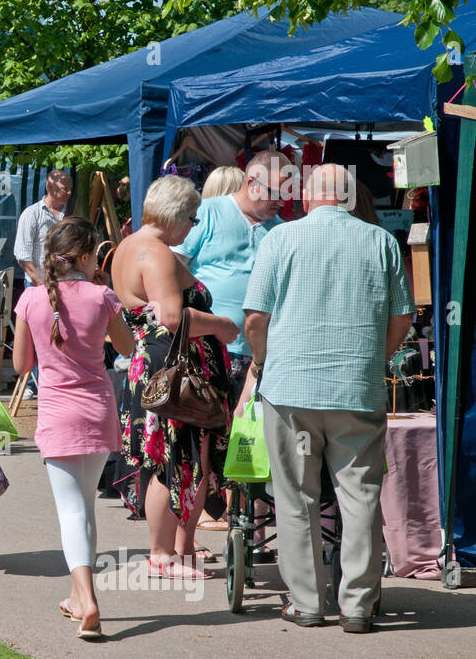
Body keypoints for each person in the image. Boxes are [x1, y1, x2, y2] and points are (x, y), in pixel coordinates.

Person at [244, 164, 415, 632]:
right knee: (360, 495)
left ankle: (306, 602)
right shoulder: (380, 241)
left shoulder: (280, 240)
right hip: (355, 390)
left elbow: (255, 317)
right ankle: (358, 604)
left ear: (306, 196)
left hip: (290, 389)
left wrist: (262, 361)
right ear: (349, 196)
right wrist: (373, 357)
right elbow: (404, 316)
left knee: (296, 496)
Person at [112, 175, 239, 580]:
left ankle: (179, 548)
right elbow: (169, 317)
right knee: (173, 457)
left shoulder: (128, 246)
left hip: (156, 362)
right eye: (192, 218)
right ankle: (163, 554)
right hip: (174, 366)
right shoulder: (156, 252)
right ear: (174, 214)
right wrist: (223, 325)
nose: (194, 226)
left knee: (183, 457)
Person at [14, 218, 135, 639]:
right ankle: (77, 595)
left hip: (57, 413)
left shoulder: (31, 300)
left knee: (71, 510)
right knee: (84, 508)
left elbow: (20, 365)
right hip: (97, 409)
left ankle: (87, 599)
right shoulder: (102, 295)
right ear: (85, 257)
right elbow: (127, 347)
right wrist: (103, 292)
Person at [174, 151, 288, 409]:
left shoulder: (281, 232)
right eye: (276, 193)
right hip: (207, 350)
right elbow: (173, 267)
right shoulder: (207, 212)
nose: (282, 202)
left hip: (259, 358)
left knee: (247, 440)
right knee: (210, 436)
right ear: (252, 184)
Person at [13, 169, 73, 286]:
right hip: (38, 284)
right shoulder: (32, 213)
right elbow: (22, 254)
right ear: (50, 187)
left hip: (65, 285)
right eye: (65, 189)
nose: (69, 193)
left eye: (71, 189)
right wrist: (40, 284)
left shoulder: (69, 216)